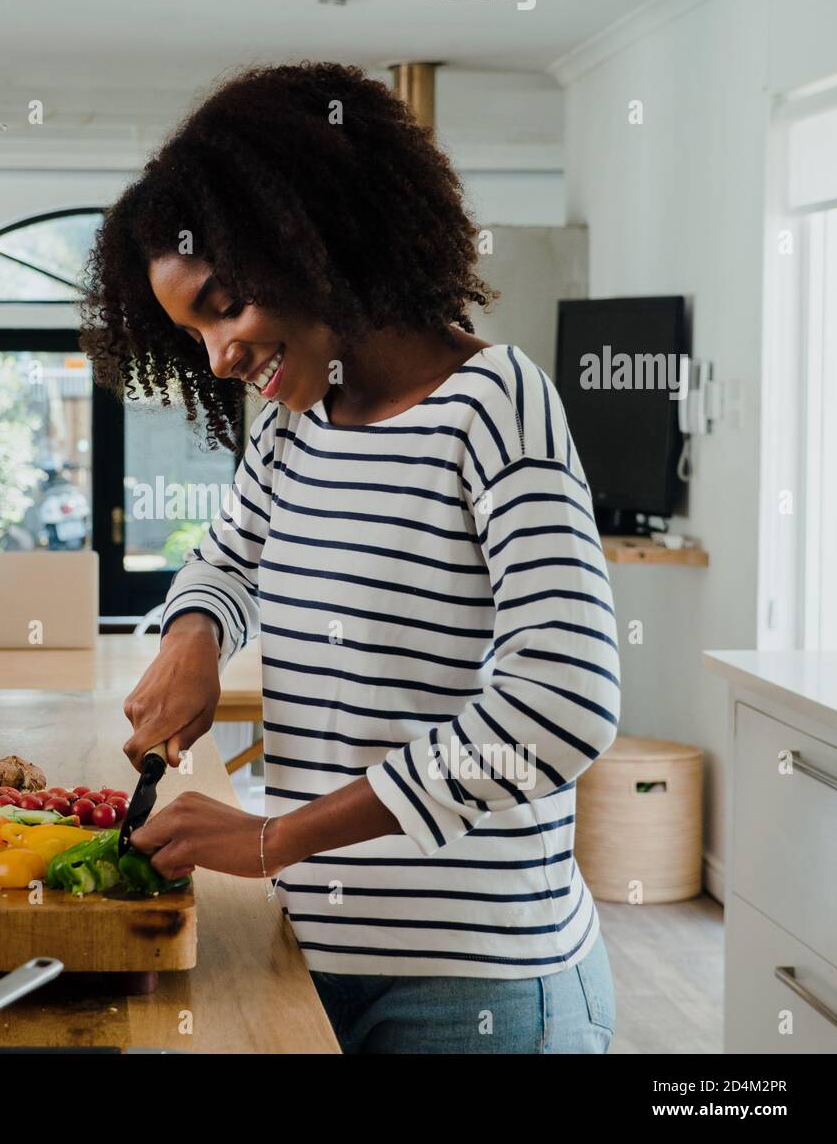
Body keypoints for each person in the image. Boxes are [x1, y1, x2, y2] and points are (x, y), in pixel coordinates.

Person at [79, 62, 618, 1054]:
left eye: (224, 305)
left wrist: (272, 839)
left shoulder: (494, 407)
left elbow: (561, 706)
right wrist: (194, 632)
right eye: (190, 333)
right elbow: (225, 560)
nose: (218, 358)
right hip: (316, 953)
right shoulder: (301, 426)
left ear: (311, 233)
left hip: (476, 984)